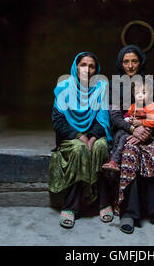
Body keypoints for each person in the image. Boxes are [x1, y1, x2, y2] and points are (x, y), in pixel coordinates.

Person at [108, 44, 154, 234]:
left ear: (140, 62)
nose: (130, 65)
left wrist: (147, 130)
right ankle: (129, 213)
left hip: (150, 133)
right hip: (127, 133)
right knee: (129, 153)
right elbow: (115, 115)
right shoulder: (115, 85)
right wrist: (133, 128)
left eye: (134, 61)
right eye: (126, 61)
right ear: (121, 63)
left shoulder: (152, 84)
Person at [49, 52, 114, 229]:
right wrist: (80, 136)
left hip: (95, 135)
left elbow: (103, 120)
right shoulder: (63, 88)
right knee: (79, 149)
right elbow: (58, 122)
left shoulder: (101, 87)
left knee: (100, 148)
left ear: (96, 69)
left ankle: (104, 202)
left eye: (91, 66)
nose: (87, 69)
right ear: (76, 67)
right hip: (70, 137)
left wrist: (92, 138)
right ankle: (71, 206)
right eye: (83, 65)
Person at [102, 81, 154, 171]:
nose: (140, 95)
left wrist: (142, 123)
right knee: (118, 134)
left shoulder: (151, 106)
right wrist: (128, 120)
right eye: (137, 93)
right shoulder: (133, 106)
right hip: (133, 130)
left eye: (144, 93)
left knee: (123, 139)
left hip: (146, 133)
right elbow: (126, 116)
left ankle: (115, 162)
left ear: (150, 95)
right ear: (134, 95)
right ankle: (112, 157)